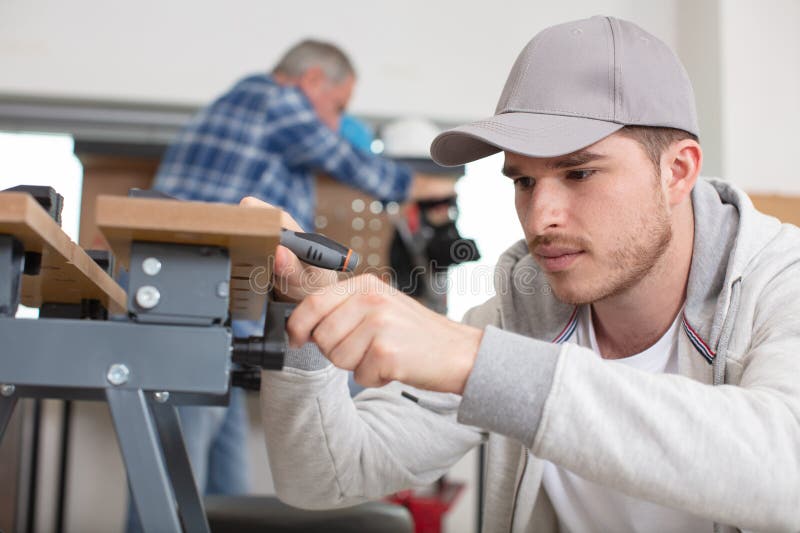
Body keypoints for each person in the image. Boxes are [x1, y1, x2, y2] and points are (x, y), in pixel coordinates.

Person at [248, 16, 800, 533]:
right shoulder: (518, 313)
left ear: (677, 171)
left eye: (579, 173)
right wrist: (303, 312)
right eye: (524, 182)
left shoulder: (780, 283)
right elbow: (324, 478)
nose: (540, 219)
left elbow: (786, 471)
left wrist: (476, 362)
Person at [125, 39, 416, 529]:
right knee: (170, 493)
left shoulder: (246, 116)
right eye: (338, 108)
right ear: (312, 80)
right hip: (187, 309)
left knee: (224, 488)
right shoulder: (273, 100)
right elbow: (357, 167)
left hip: (214, 312)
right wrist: (416, 184)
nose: (335, 124)